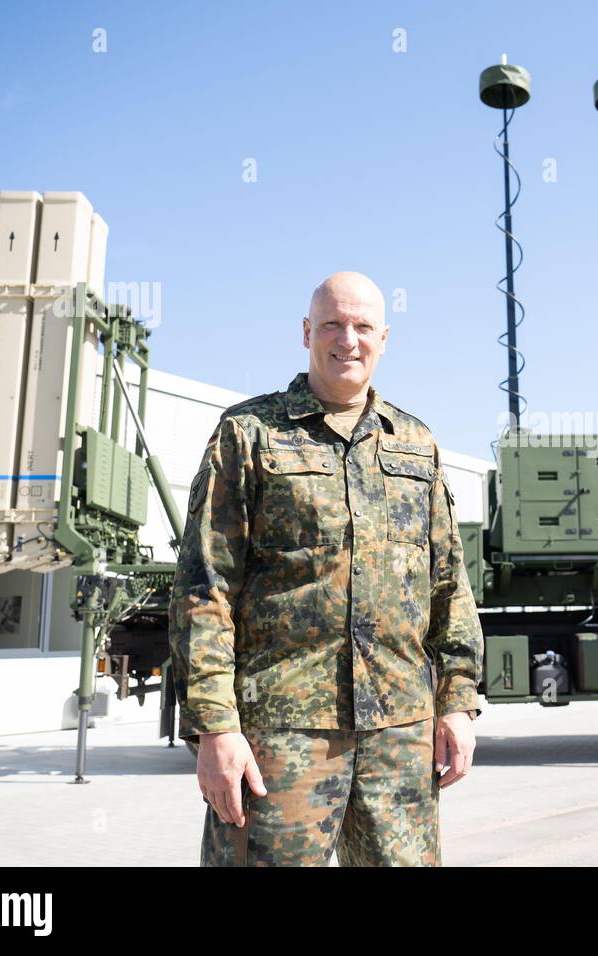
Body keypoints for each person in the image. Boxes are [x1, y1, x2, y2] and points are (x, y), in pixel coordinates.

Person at [169, 271, 483, 866]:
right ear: (307, 332)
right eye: (334, 324)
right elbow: (204, 589)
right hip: (281, 735)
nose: (349, 339)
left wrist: (459, 704)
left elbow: (449, 586)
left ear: (384, 338)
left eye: (363, 326)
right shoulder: (250, 435)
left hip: (400, 732)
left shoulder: (416, 445)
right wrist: (215, 727)